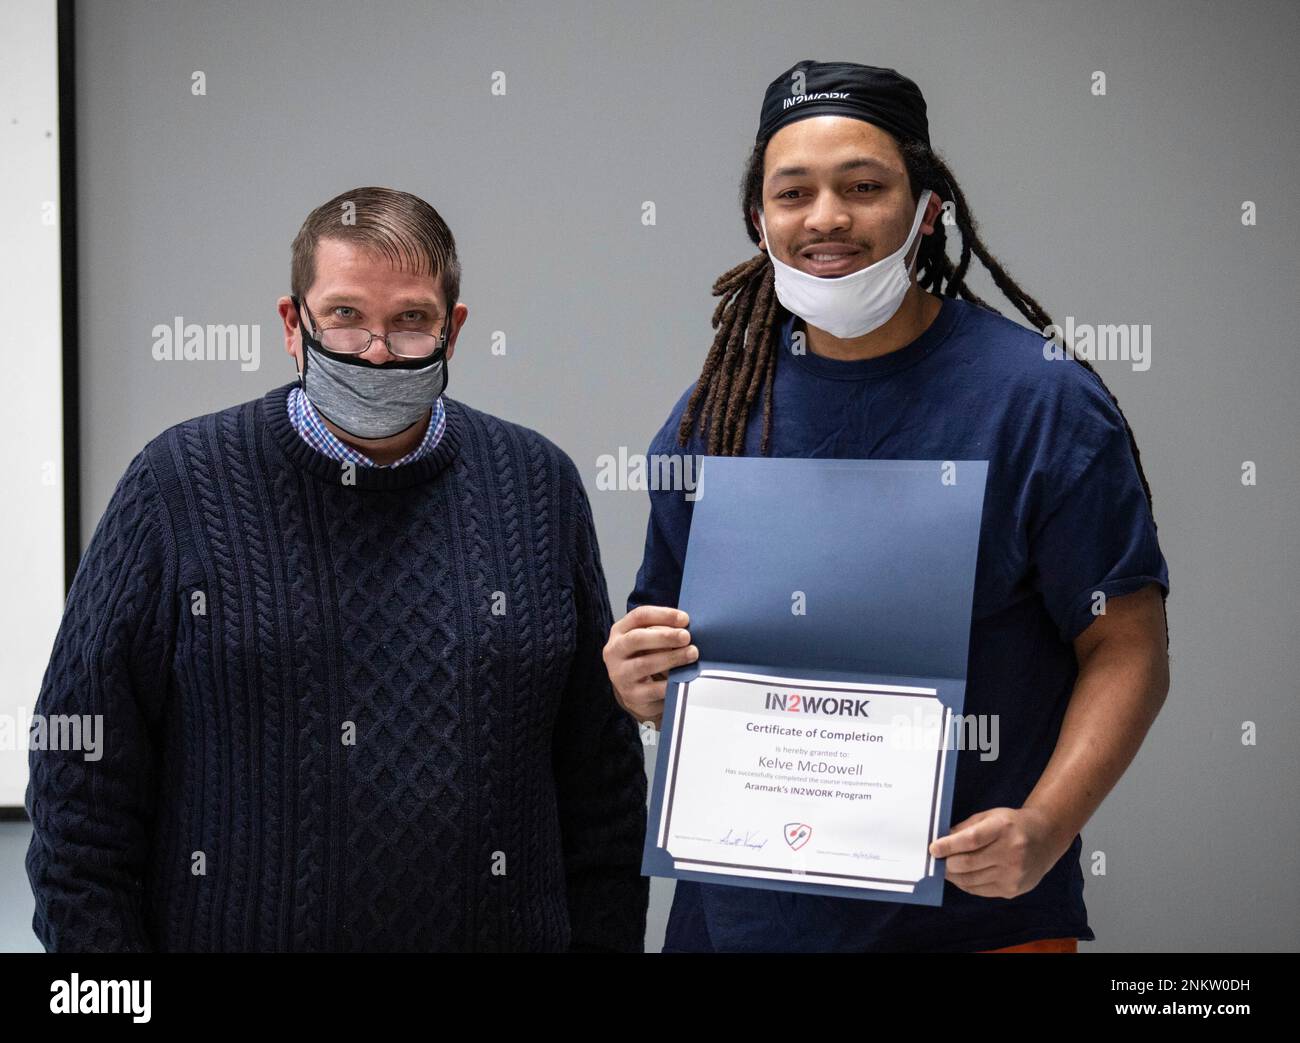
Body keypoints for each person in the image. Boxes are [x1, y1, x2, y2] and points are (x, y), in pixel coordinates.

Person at [603, 61, 1170, 953]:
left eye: (864, 186)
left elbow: (1128, 645)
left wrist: (1047, 827)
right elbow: (668, 646)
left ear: (927, 208)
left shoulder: (1035, 400)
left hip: (976, 919)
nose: (826, 216)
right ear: (760, 220)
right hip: (744, 920)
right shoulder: (713, 414)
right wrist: (638, 677)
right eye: (793, 193)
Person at [26, 186, 648, 952]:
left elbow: (602, 784)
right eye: (346, 316)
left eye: (410, 320)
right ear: (295, 325)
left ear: (452, 329)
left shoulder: (537, 486)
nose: (377, 351)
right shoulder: (177, 484)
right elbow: (77, 775)